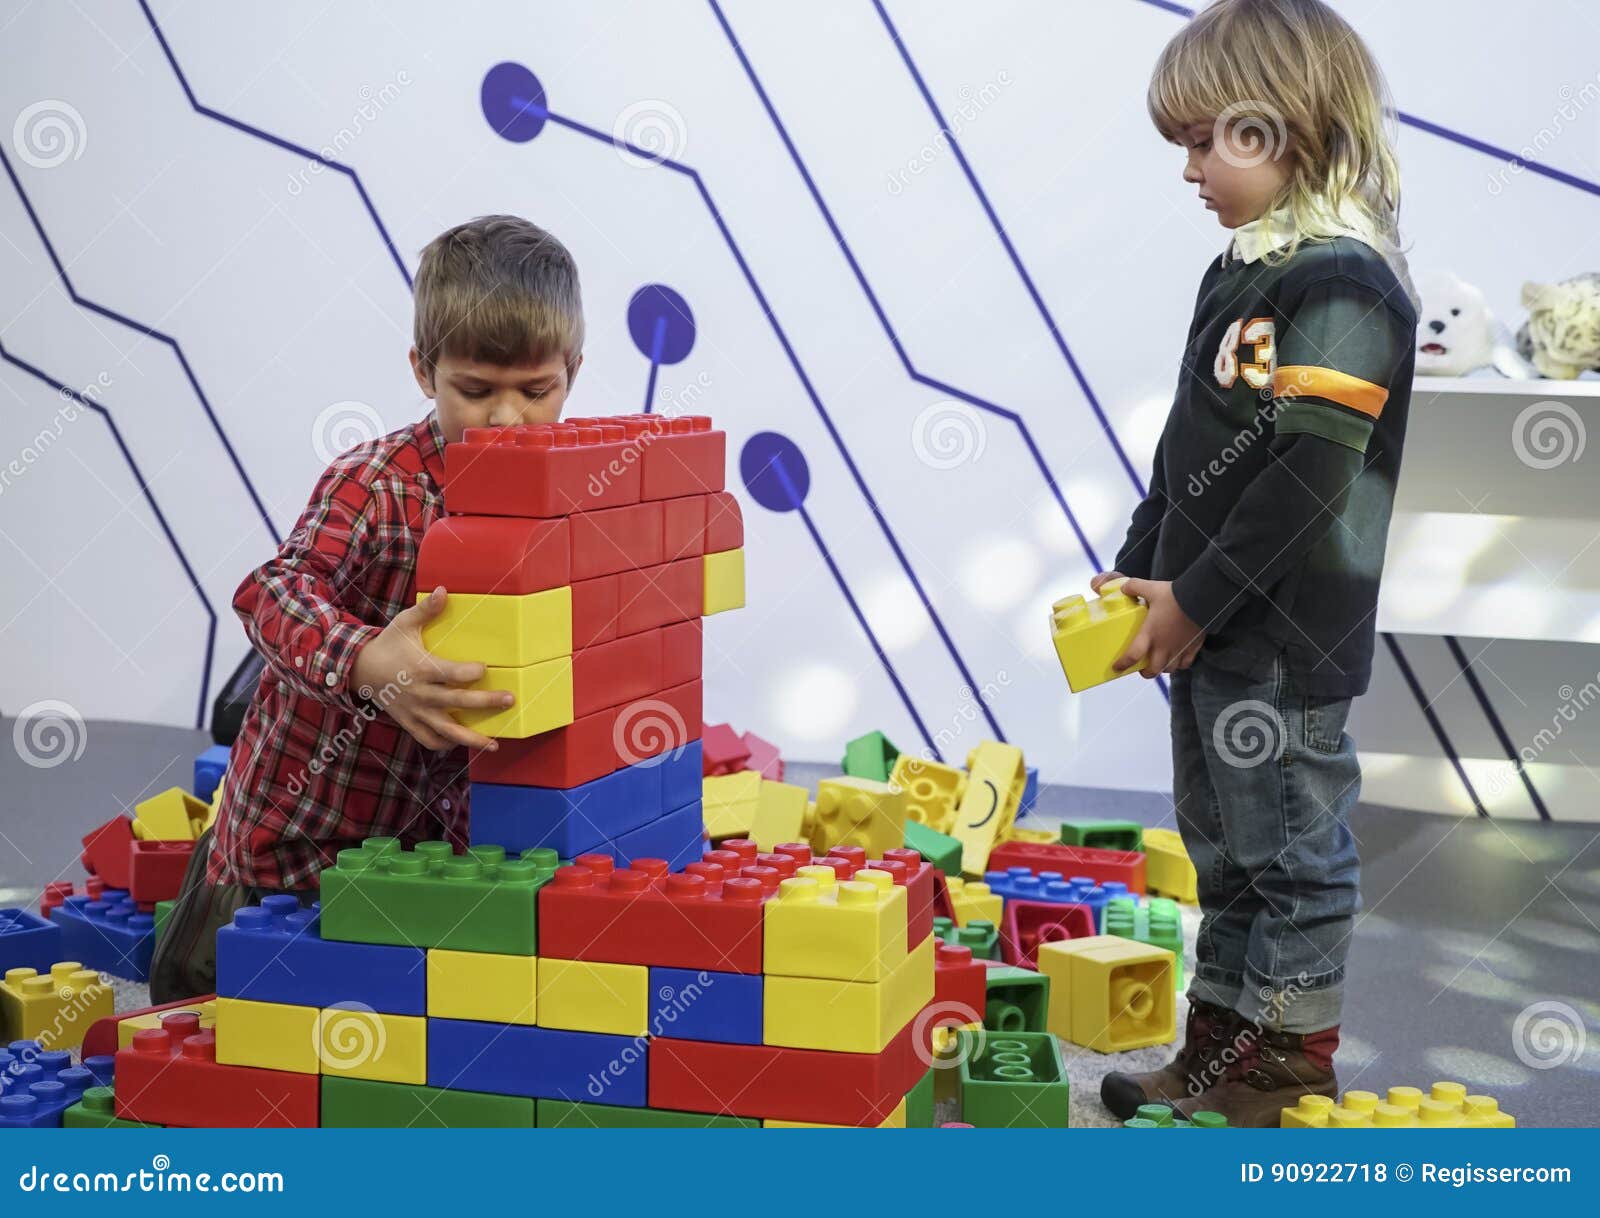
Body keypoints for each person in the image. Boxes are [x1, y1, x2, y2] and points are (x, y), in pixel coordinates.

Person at [1096, 0, 1418, 1127]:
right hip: (1213, 622)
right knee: (1225, 852)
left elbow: (1307, 480)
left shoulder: (1345, 284)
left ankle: (1287, 1067)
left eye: (1203, 143)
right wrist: (1142, 570)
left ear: (1284, 129)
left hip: (1281, 637)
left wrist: (1196, 596)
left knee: (1290, 853)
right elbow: (1190, 447)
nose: (1187, 170)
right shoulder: (1237, 271)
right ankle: (1219, 1049)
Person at [150, 215, 585, 1000]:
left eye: (536, 390)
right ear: (424, 370)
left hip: (422, 859)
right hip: (288, 853)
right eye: (475, 391)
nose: (507, 418)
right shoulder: (379, 483)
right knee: (214, 1030)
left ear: (573, 371)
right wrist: (366, 657)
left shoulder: (572, 492)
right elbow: (273, 590)